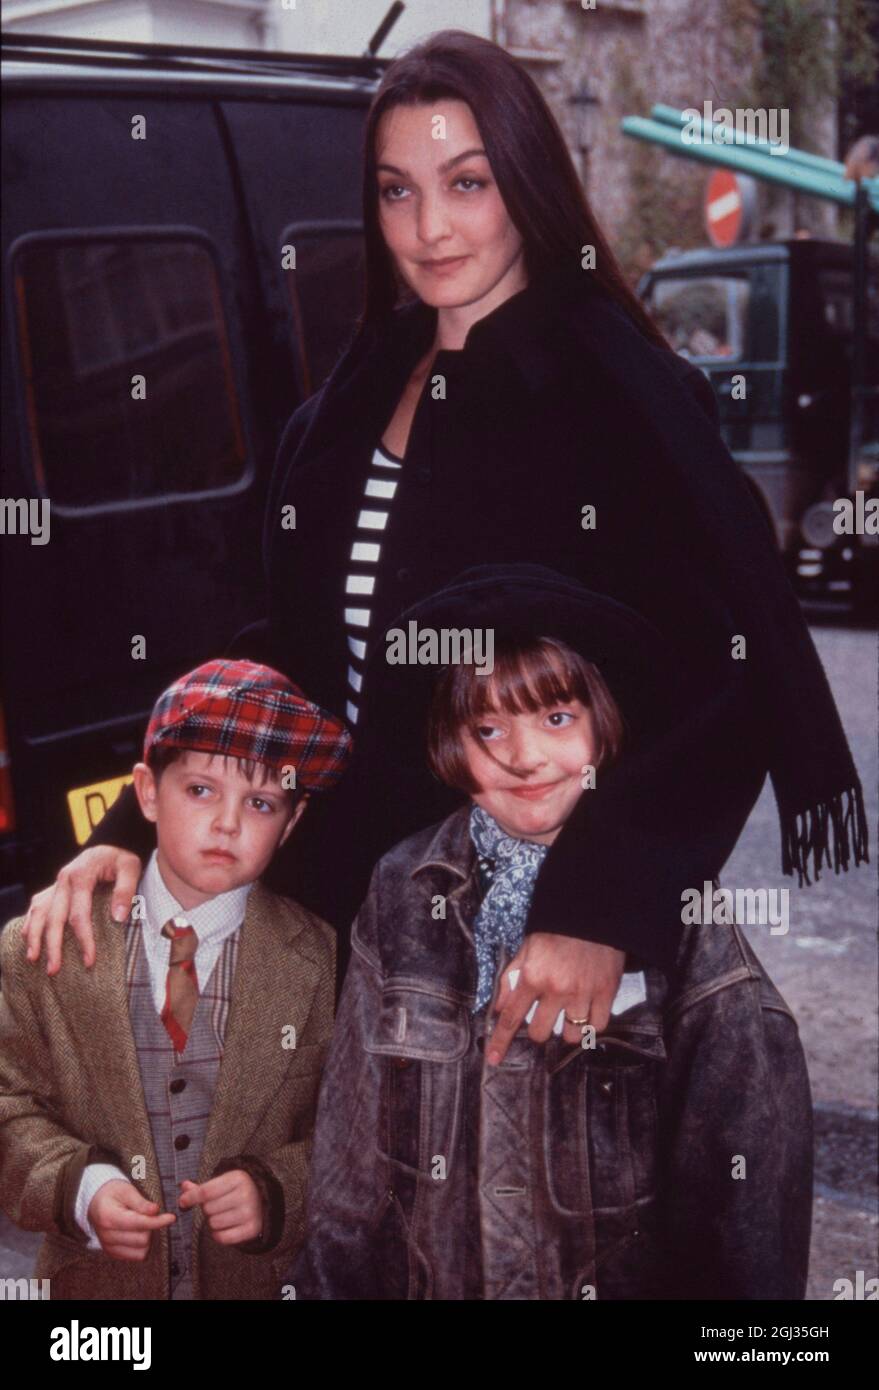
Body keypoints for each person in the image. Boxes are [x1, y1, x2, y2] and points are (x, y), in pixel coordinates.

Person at [20, 29, 868, 1063]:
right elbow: (287, 655)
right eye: (395, 191)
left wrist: (602, 904)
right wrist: (133, 832)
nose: (428, 228)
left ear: (526, 181)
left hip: (512, 948)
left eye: (465, 183)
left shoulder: (622, 400)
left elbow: (722, 676)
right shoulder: (343, 404)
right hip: (337, 924)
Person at [288, 565, 813, 1300]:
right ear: (448, 743)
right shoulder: (401, 889)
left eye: (555, 718)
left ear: (604, 724)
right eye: (487, 728)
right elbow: (350, 1161)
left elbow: (745, 1201)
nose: (523, 756)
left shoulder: (677, 916)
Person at [0, 659, 350, 1299]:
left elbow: (348, 1125)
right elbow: (8, 1104)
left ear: (292, 823)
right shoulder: (45, 940)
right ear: (147, 792)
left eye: (262, 803)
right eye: (200, 791)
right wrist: (78, 1187)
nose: (228, 823)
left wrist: (278, 1190)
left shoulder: (320, 957)